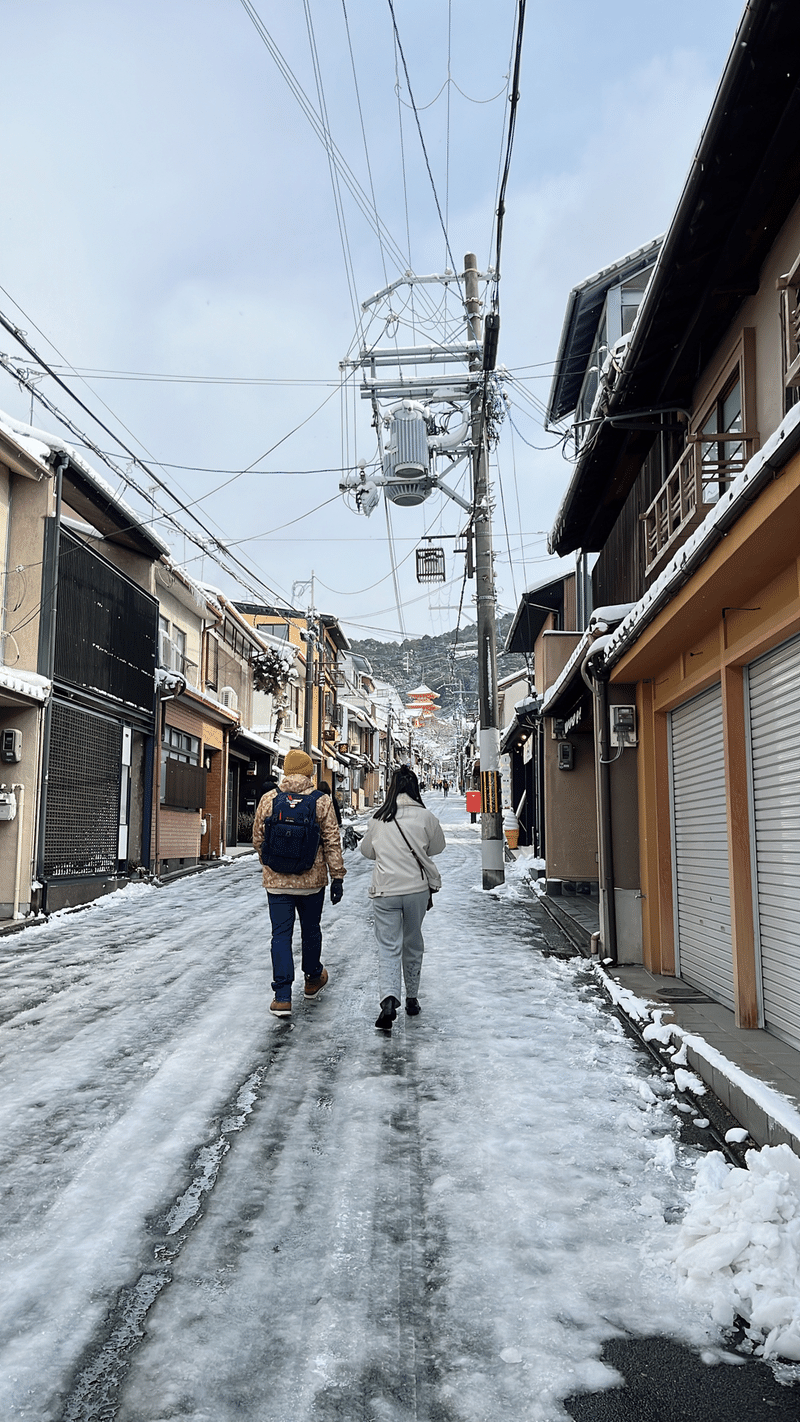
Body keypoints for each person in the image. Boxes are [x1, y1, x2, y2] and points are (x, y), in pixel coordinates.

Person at [252, 749, 345, 1018]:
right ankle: (313, 978)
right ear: (309, 773)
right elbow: (331, 841)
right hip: (312, 882)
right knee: (310, 929)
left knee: (280, 935)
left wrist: (272, 863)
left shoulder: (269, 799)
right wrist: (337, 876)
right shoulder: (322, 801)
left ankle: (282, 997)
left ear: (285, 770)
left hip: (277, 882)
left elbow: (258, 838)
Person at [359, 765, 445, 1031]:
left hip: (385, 891)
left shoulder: (378, 818)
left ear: (392, 788)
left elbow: (366, 851)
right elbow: (438, 847)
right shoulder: (426, 817)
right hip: (416, 890)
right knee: (412, 942)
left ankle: (388, 999)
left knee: (388, 947)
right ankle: (411, 998)